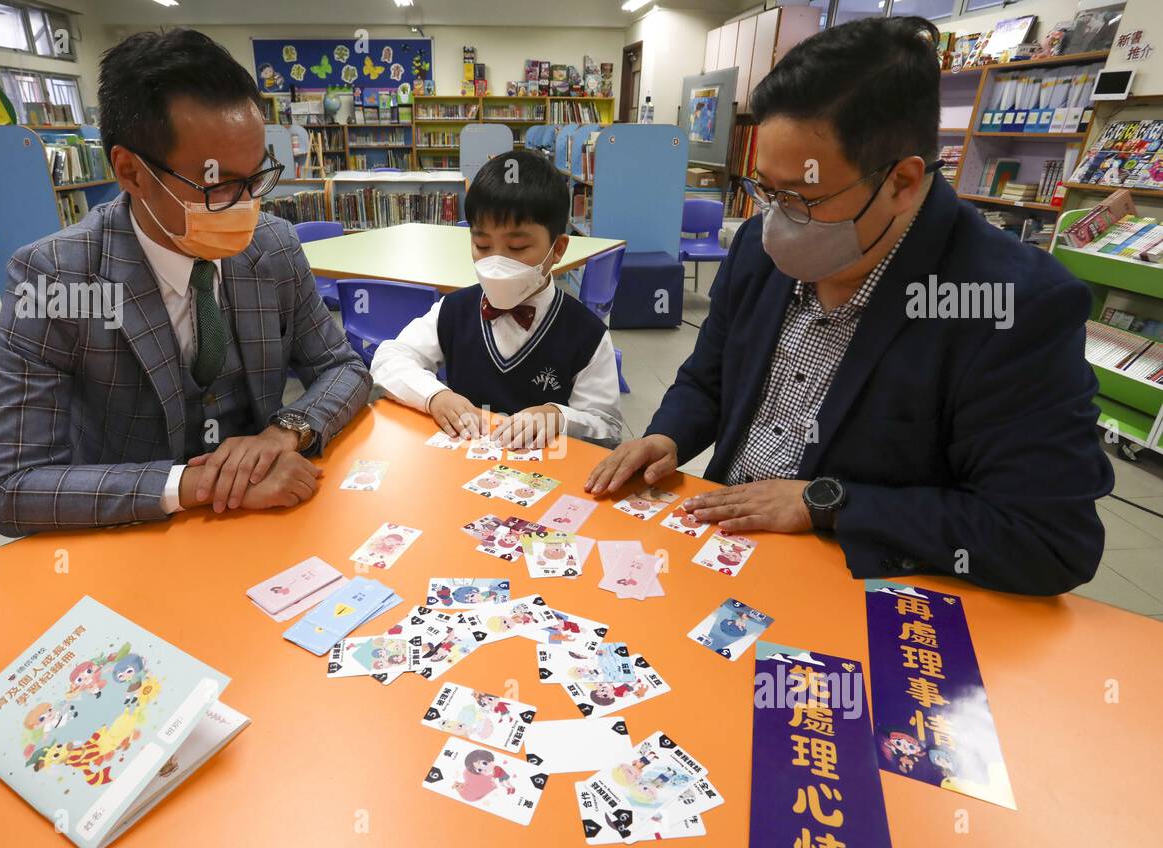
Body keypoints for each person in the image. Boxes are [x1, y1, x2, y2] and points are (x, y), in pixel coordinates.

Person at [585, 16, 1112, 596]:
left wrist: (825, 503)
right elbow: (708, 379)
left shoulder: (1010, 306)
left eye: (806, 197)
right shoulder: (763, 252)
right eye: (767, 189)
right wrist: (667, 438)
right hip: (724, 559)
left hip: (856, 583)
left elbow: (1047, 539)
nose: (778, 220)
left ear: (903, 182)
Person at [0, 29, 370, 536]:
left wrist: (283, 433)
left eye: (257, 178)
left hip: (266, 526)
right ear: (131, 171)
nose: (246, 204)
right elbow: (9, 486)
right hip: (133, 536)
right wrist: (194, 485)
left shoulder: (274, 246)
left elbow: (343, 368)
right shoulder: (55, 276)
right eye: (217, 183)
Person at [370, 149, 622, 449]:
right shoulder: (454, 310)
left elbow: (608, 427)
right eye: (482, 244)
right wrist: (436, 396)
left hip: (546, 479)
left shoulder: (586, 334)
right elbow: (389, 359)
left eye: (517, 248)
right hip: (463, 471)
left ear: (557, 249)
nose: (497, 262)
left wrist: (560, 417)